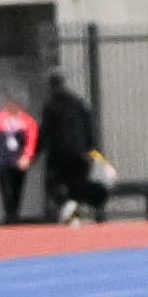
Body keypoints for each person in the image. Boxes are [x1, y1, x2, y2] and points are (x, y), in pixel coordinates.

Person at [40, 72, 108, 224]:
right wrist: (91, 148)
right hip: (80, 153)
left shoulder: (51, 105)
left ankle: (68, 207)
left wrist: (35, 153)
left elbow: (45, 131)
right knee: (77, 183)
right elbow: (89, 126)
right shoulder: (78, 102)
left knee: (52, 184)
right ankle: (75, 213)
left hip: (59, 155)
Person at [0, 95, 39, 225]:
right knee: (6, 189)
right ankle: (9, 215)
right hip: (3, 161)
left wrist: (27, 157)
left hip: (19, 161)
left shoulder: (27, 121)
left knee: (17, 189)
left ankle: (14, 214)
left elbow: (31, 140)